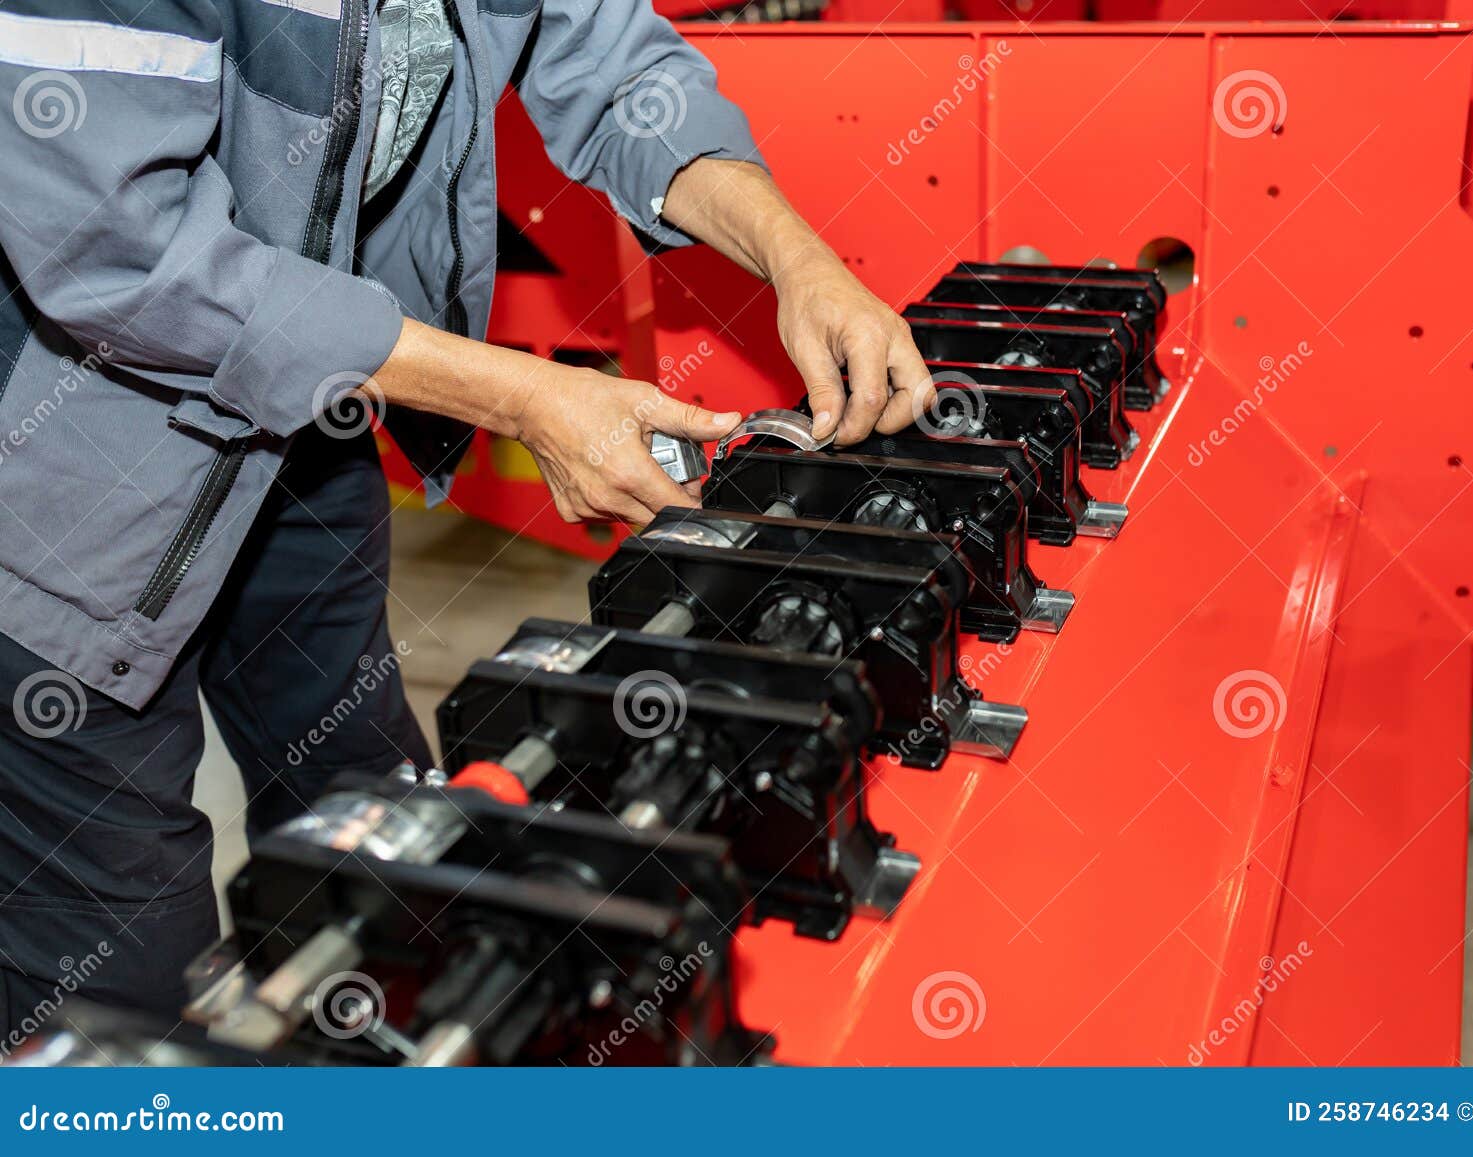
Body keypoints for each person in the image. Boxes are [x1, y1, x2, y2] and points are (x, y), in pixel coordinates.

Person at [0, 0, 932, 1038]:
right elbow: (123, 253)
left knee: (391, 861)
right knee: (125, 1001)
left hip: (304, 430)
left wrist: (799, 260)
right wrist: (523, 399)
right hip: (65, 485)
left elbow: (623, 73)